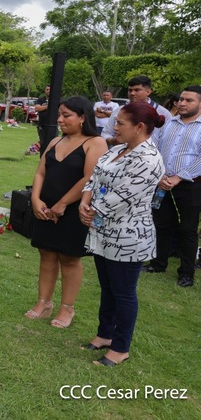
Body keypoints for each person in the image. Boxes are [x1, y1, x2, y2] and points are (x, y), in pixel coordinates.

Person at [79, 102, 165, 366]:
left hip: (128, 236)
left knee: (124, 292)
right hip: (103, 231)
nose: (114, 127)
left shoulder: (149, 159)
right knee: (107, 286)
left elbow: (123, 195)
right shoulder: (116, 149)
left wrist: (90, 210)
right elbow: (95, 176)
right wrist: (85, 200)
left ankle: (121, 347)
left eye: (120, 123)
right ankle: (105, 334)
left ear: (139, 127)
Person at [24, 97, 107, 327]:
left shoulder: (95, 143)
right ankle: (44, 302)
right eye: (59, 114)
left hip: (72, 209)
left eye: (66, 115)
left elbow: (89, 177)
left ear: (82, 117)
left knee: (69, 259)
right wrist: (35, 199)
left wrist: (62, 203)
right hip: (46, 208)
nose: (60, 119)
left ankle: (67, 308)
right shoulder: (54, 142)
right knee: (46, 254)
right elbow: (41, 172)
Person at [146, 85, 201, 287]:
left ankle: (186, 273)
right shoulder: (170, 123)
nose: (182, 103)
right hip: (162, 182)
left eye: (189, 100)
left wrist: (179, 177)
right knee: (161, 224)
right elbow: (158, 150)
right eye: (181, 99)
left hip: (190, 185)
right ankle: (158, 263)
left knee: (187, 229)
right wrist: (159, 175)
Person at [102, 75, 171, 146]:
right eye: (130, 90)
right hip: (121, 154)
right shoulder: (120, 110)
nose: (132, 93)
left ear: (148, 91)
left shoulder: (162, 112)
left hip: (149, 155)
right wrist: (113, 141)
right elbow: (106, 133)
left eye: (137, 90)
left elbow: (168, 142)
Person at [34, 84, 52, 150]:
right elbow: (37, 108)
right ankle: (42, 158)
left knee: (52, 143)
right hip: (42, 125)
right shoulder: (41, 99)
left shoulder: (56, 100)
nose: (48, 91)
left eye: (50, 90)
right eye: (47, 89)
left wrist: (42, 108)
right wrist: (47, 107)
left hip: (52, 125)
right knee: (43, 143)